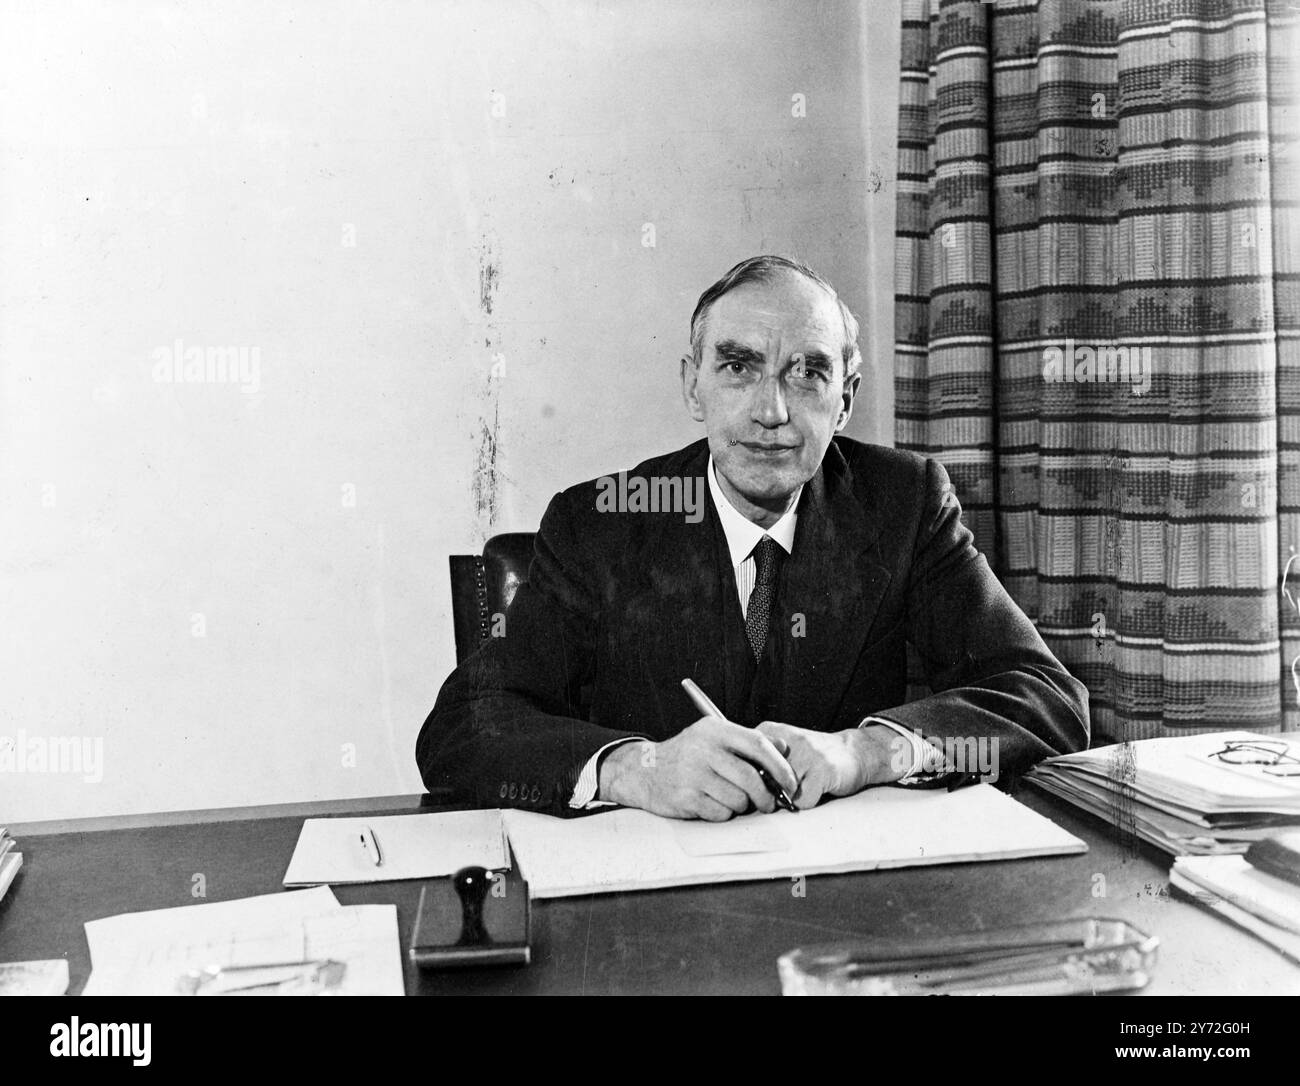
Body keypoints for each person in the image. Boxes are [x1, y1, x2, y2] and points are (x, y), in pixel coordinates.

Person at [417, 255, 1089, 820]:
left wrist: (868, 751)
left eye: (807, 372)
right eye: (739, 367)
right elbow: (462, 727)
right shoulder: (600, 523)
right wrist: (636, 768)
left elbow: (1050, 701)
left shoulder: (903, 503)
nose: (771, 412)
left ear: (845, 399)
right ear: (694, 386)